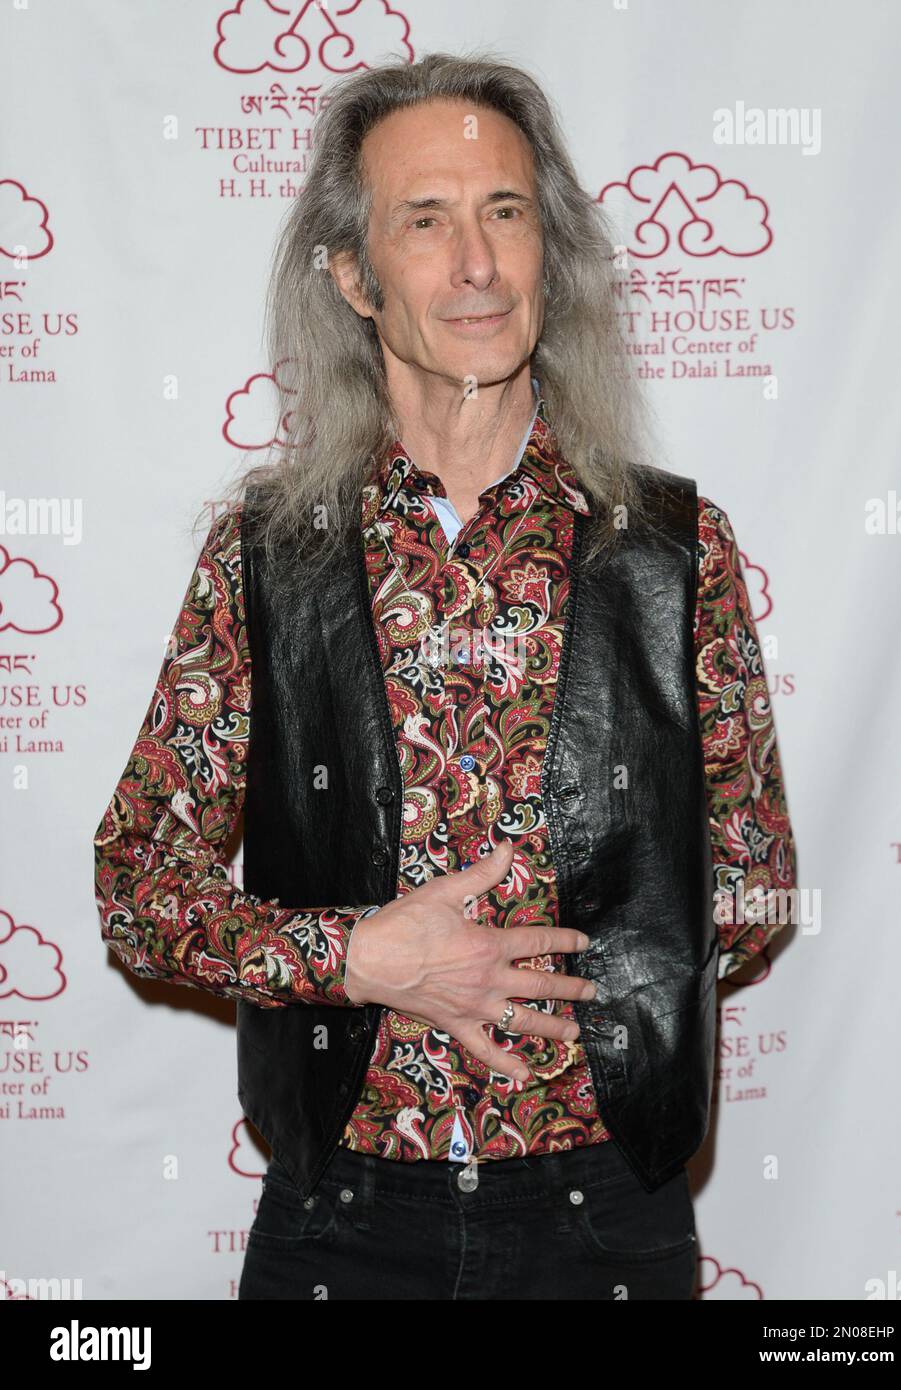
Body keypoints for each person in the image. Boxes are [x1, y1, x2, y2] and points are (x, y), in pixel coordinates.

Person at [93, 50, 797, 1301]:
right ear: (354, 277)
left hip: (604, 1222)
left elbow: (750, 887)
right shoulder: (268, 555)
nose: (475, 264)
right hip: (341, 1220)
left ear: (548, 256)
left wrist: (596, 1012)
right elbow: (138, 885)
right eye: (425, 220)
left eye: (504, 212)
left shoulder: (673, 552)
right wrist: (357, 958)